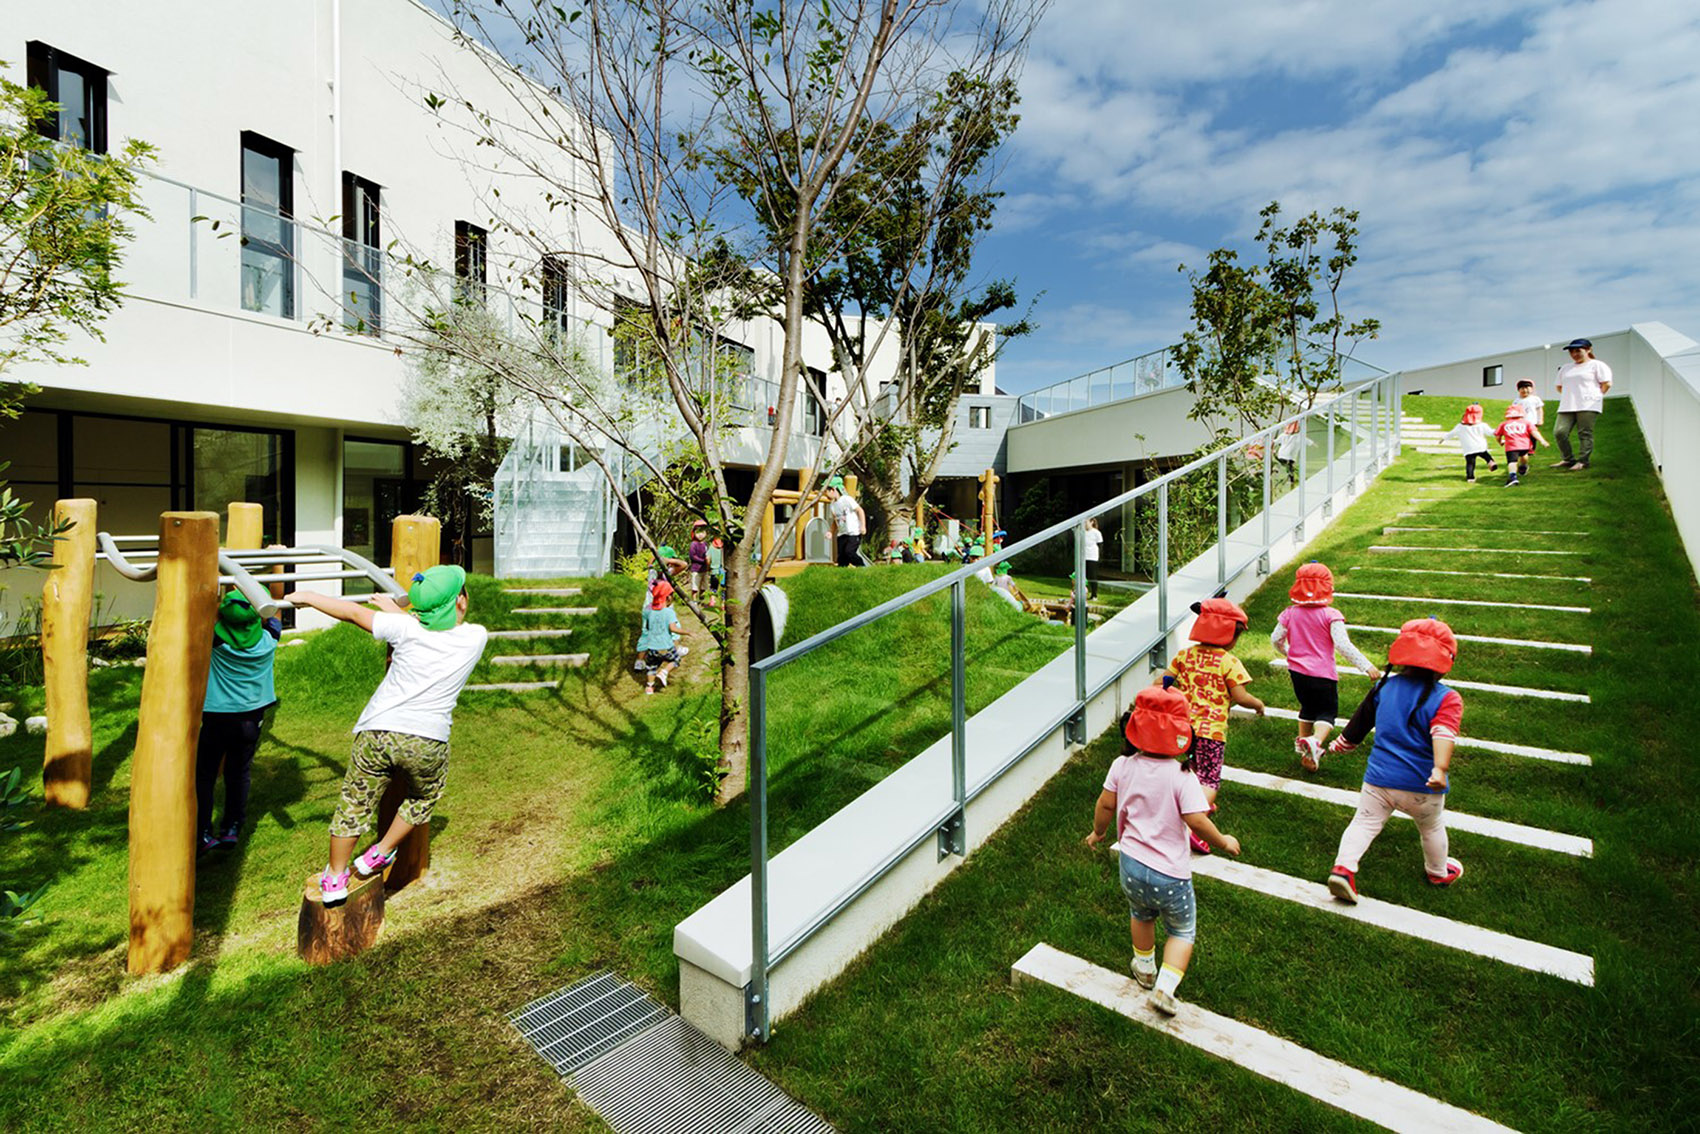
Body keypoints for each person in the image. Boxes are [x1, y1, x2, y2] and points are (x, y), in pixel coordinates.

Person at [289, 565, 488, 905]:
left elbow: (353, 613)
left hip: (378, 732)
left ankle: (335, 877)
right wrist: (402, 610)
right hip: (427, 739)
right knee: (423, 798)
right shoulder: (475, 637)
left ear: (418, 610)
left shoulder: (403, 628)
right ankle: (378, 854)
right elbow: (423, 627)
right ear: (462, 602)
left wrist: (307, 596)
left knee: (354, 803)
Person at [1086, 679, 1241, 1015]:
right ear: (1183, 734)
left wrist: (1098, 834)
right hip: (1170, 874)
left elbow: (1105, 805)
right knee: (1182, 930)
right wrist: (1224, 841)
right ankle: (1166, 988)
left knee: (1140, 914)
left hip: (1130, 864)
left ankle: (1143, 966)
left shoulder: (1121, 765)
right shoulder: (1183, 776)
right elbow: (1198, 821)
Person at [1323, 617, 1466, 902]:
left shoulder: (1384, 687)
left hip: (1378, 780)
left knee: (1363, 823)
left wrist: (1343, 743)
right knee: (1432, 826)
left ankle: (1343, 869)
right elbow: (1442, 734)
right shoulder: (1447, 698)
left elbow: (1361, 721)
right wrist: (1439, 768)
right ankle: (1438, 871)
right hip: (1421, 785)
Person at [1162, 598, 1265, 853]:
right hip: (1212, 731)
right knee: (1210, 780)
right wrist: (1258, 704)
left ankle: (1186, 803)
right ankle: (1192, 824)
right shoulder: (1228, 662)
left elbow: (1164, 681)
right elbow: (1240, 697)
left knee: (1193, 768)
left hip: (1184, 728)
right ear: (1228, 635)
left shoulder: (1185, 655)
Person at [1272, 562, 1382, 771]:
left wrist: (1288, 653)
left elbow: (1276, 638)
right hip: (1322, 674)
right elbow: (1342, 644)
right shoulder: (1331, 615)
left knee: (1307, 707)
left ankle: (1307, 752)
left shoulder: (1289, 613)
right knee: (1326, 712)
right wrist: (1366, 665)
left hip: (1297, 673)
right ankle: (1314, 741)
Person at [195, 591, 281, 854]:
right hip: (250, 719)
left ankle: (202, 833)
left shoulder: (216, 639)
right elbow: (273, 611)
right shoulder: (270, 638)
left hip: (216, 718)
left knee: (204, 776)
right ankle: (231, 827)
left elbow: (207, 610)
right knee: (238, 773)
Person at [1552, 338, 1611, 471]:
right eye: (1572, 351)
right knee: (1559, 432)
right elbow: (1559, 386)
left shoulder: (1597, 365)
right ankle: (1568, 459)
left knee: (1584, 433)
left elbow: (1607, 383)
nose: (1574, 354)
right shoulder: (1566, 368)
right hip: (1567, 405)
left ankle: (1583, 461)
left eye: (1578, 351)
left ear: (1588, 350)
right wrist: (1570, 396)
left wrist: (1596, 396)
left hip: (1588, 405)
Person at [636, 579, 687, 695]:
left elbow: (647, 629)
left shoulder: (648, 612)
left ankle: (649, 688)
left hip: (652, 647)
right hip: (666, 647)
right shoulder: (669, 612)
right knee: (676, 659)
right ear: (668, 598)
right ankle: (664, 672)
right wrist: (687, 632)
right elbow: (673, 629)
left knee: (651, 667)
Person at [1439, 403, 1499, 483]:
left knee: (1470, 463)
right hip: (1480, 446)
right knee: (1486, 456)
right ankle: (1491, 462)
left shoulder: (1460, 426)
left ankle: (1470, 477)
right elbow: (1491, 432)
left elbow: (1451, 433)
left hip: (1469, 448)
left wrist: (1443, 438)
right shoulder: (1482, 425)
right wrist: (1499, 432)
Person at [1494, 403, 1546, 486]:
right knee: (1524, 455)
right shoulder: (1527, 423)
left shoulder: (1504, 424)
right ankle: (1523, 465)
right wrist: (1542, 440)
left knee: (1512, 462)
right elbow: (1534, 432)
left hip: (1511, 446)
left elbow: (1497, 435)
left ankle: (1512, 477)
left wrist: (1500, 442)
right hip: (1524, 446)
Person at [825, 484, 865, 567]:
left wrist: (863, 526)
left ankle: (862, 567)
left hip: (853, 532)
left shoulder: (847, 499)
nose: (825, 495)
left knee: (849, 552)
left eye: (826, 492)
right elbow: (836, 520)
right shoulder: (832, 505)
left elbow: (860, 511)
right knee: (842, 558)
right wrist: (831, 532)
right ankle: (842, 573)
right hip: (842, 533)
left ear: (833, 490)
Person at [687, 522, 710, 599]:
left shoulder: (705, 544)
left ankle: (701, 599)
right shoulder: (693, 544)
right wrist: (703, 560)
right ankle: (694, 600)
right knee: (695, 585)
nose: (700, 535)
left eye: (702, 532)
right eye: (698, 533)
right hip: (696, 568)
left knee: (704, 585)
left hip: (704, 569)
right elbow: (692, 556)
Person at [1083, 517, 1103, 599]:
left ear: (1091, 522)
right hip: (1083, 556)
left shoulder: (1096, 533)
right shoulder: (1082, 532)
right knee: (1084, 576)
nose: (1085, 524)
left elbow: (1100, 545)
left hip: (1092, 556)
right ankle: (1083, 593)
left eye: (1086, 522)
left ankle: (1094, 594)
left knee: (1092, 576)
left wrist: (1099, 557)